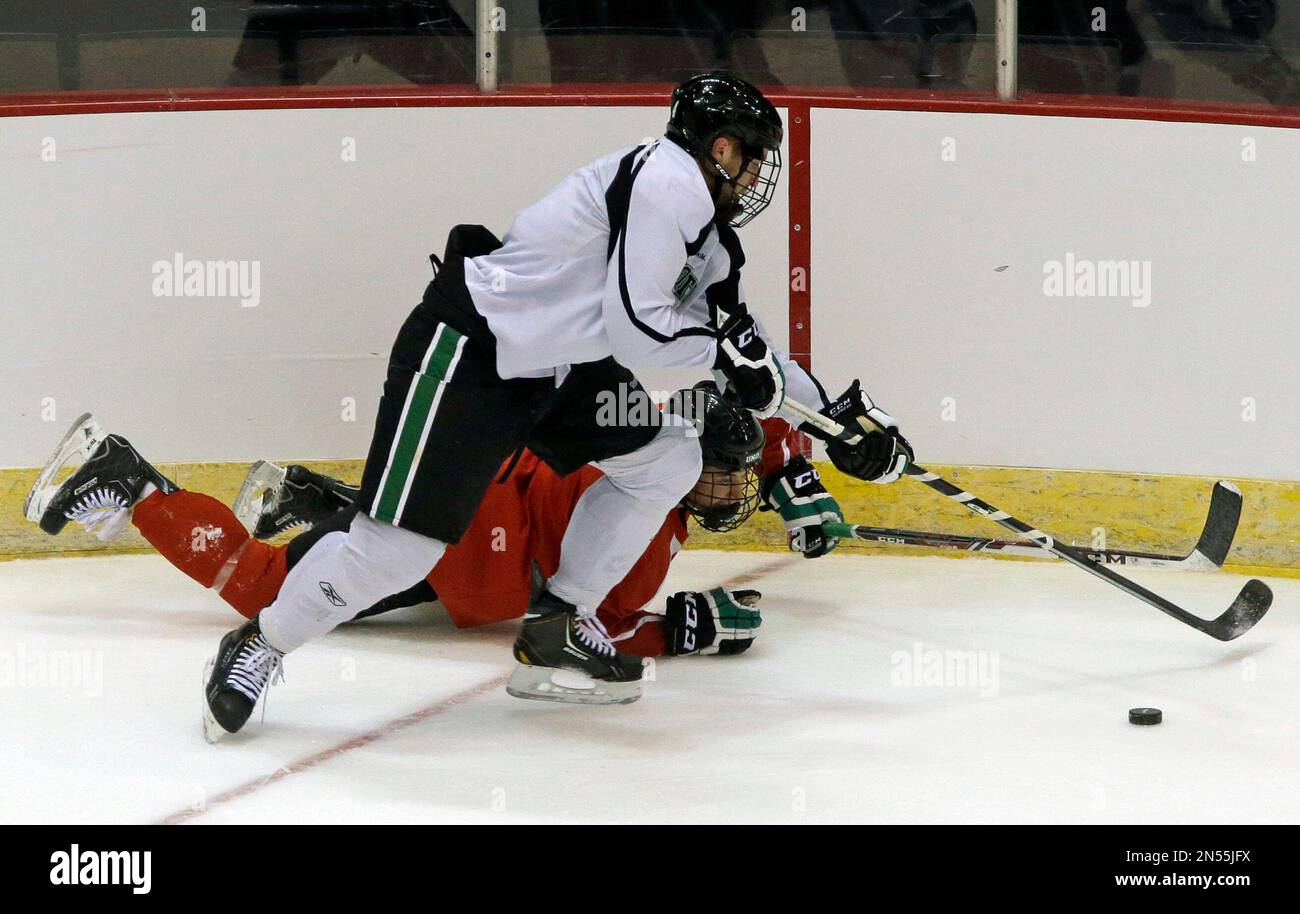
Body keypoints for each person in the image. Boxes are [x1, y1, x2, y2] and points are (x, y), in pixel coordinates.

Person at [30, 73, 913, 739]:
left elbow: (746, 345)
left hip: (560, 376)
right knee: (392, 552)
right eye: (752, 154)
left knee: (668, 459)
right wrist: (729, 386)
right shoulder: (667, 179)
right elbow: (645, 332)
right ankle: (260, 642)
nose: (757, 173)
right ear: (719, 147)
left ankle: (557, 626)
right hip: (474, 354)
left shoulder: (709, 244)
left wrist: (840, 422)